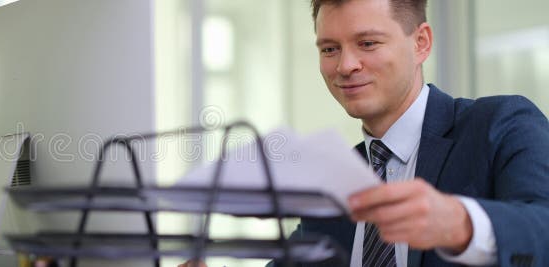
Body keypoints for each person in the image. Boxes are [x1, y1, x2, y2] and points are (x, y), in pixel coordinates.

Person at [182, 0, 549, 266]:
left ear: (421, 42)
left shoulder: (500, 124)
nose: (345, 65)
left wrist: (461, 224)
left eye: (368, 43)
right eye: (329, 49)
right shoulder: (334, 177)